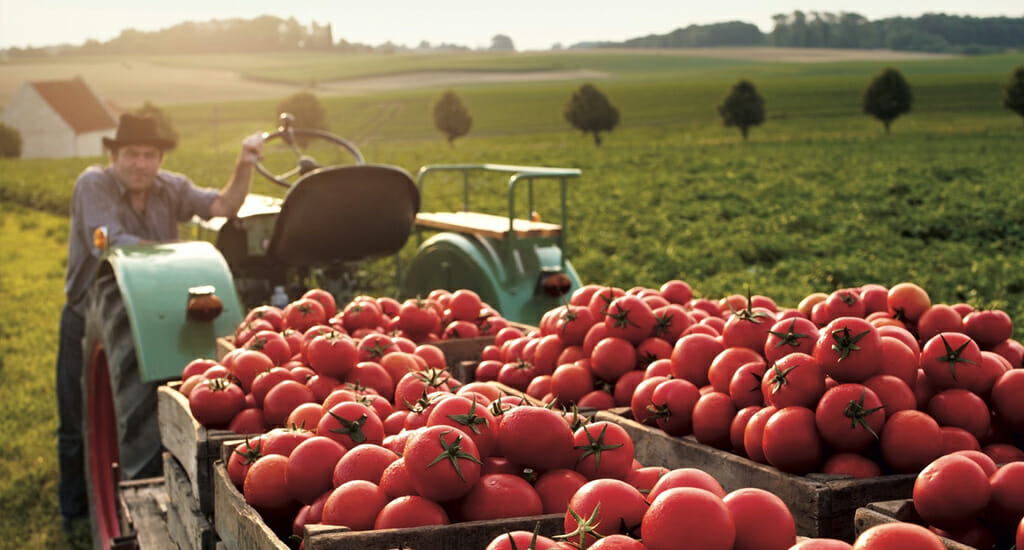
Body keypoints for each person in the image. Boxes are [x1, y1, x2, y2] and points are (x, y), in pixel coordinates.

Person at [56, 113, 264, 533]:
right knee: (76, 414)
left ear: (160, 158)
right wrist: (179, 253)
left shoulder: (171, 186)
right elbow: (111, 241)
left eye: (149, 155)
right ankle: (75, 509)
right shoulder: (93, 185)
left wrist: (244, 164)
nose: (140, 163)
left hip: (154, 318)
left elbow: (222, 207)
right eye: (131, 154)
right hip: (91, 312)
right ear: (114, 154)